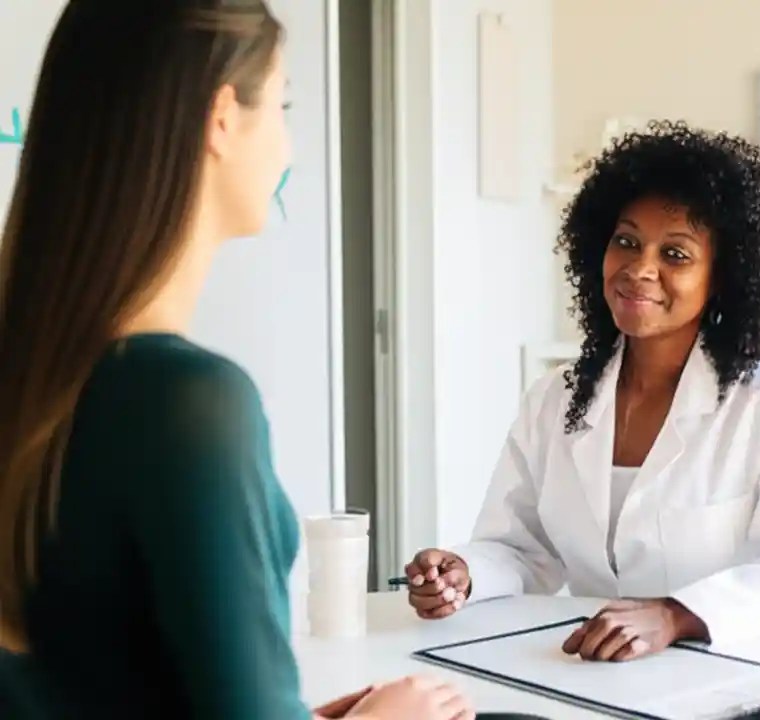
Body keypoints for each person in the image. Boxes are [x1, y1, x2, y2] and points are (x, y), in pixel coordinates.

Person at [0, 2, 471, 719]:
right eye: (279, 103)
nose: (285, 143)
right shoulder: (183, 402)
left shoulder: (35, 376)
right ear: (222, 117)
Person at [405, 120, 760, 662]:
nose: (640, 269)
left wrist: (675, 614)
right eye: (626, 242)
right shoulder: (557, 398)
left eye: (676, 255)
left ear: (725, 275)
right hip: (590, 668)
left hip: (727, 671)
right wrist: (464, 573)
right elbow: (522, 549)